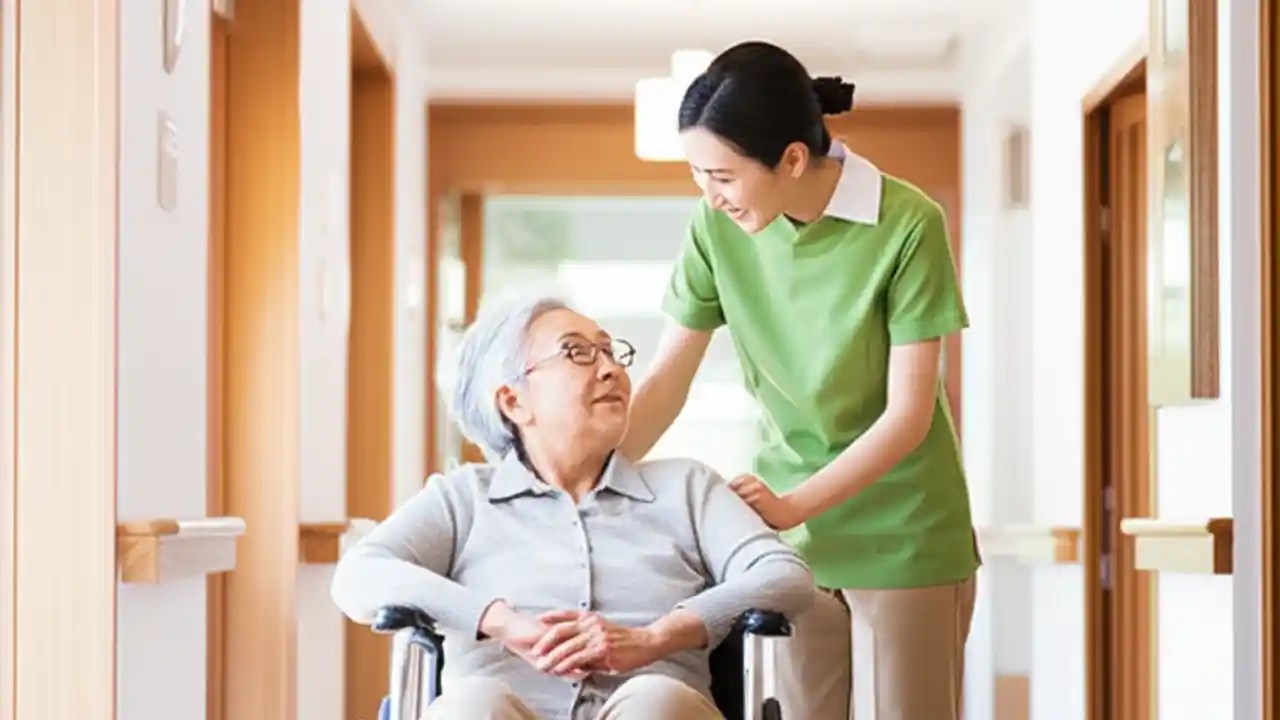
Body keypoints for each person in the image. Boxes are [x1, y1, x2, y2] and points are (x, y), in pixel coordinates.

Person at [620, 41, 980, 720]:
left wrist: (793, 505)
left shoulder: (907, 224)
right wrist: (589, 480)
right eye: (699, 175)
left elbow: (908, 414)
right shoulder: (714, 228)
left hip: (905, 534)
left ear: (789, 158)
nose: (711, 196)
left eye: (723, 175)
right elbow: (666, 381)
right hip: (788, 549)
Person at [330, 294, 815, 720]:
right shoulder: (463, 498)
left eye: (609, 351)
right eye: (577, 353)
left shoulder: (687, 487)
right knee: (472, 704)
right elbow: (357, 575)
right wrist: (504, 623)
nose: (610, 368)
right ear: (514, 402)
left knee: (656, 700)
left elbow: (785, 575)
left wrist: (656, 638)